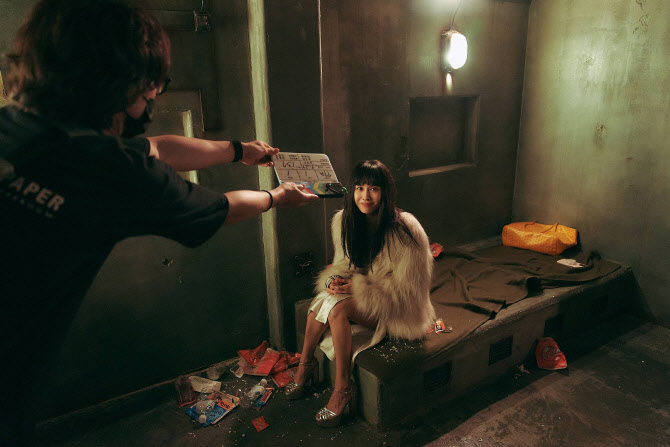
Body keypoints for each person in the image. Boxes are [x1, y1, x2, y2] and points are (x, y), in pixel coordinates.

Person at [0, 0, 317, 444]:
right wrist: (276, 198)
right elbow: (219, 208)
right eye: (152, 87)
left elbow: (160, 148)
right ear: (119, 80)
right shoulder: (111, 170)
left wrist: (238, 150)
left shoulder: (17, 125)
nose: (155, 97)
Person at [285, 160, 436, 427]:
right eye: (359, 188)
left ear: (385, 192)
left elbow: (406, 294)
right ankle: (304, 367)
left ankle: (343, 388)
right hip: (369, 297)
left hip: (398, 311)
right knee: (322, 299)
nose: (365, 196)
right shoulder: (344, 221)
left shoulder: (406, 230)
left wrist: (356, 289)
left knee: (338, 310)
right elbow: (343, 265)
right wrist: (334, 281)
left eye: (374, 188)